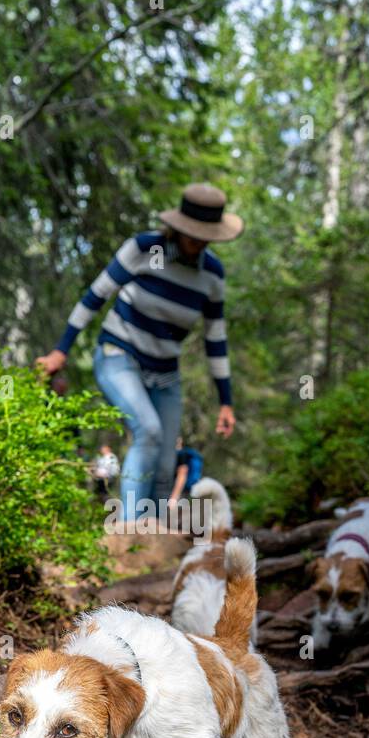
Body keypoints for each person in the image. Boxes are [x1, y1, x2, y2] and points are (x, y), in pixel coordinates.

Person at [36, 182, 242, 521]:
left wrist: (226, 401)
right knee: (148, 430)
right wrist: (61, 350)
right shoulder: (145, 249)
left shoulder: (212, 275)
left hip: (165, 371)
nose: (198, 243)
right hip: (119, 355)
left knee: (164, 460)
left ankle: (155, 545)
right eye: (193, 235)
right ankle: (129, 532)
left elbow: (215, 340)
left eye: (207, 236)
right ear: (177, 228)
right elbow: (94, 297)